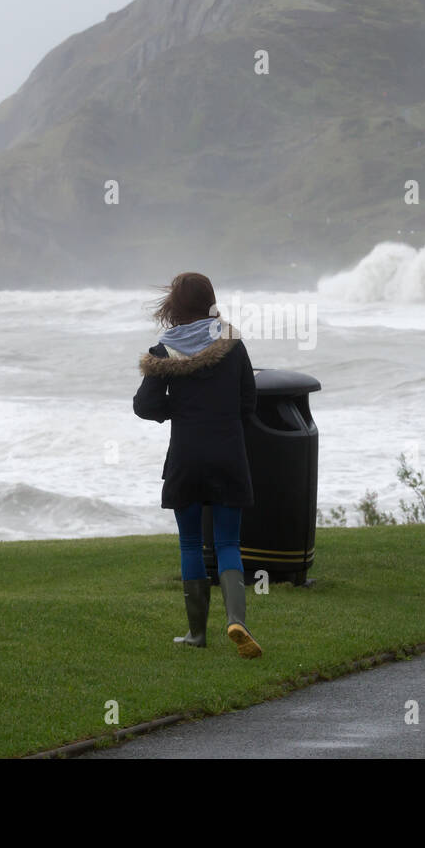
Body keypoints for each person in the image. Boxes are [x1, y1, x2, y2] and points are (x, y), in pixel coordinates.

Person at [133, 273, 261, 658]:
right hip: (228, 454)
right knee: (227, 543)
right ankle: (236, 622)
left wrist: (181, 410)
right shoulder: (232, 345)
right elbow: (248, 402)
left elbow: (145, 406)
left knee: (191, 542)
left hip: (186, 456)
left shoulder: (163, 351)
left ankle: (196, 634)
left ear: (175, 306)